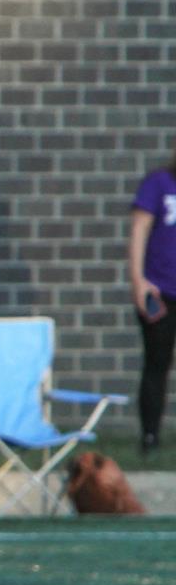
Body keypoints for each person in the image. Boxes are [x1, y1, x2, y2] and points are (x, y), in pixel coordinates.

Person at [126, 145, 176, 455]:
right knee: (157, 363)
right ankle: (150, 437)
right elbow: (139, 230)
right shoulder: (159, 183)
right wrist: (138, 281)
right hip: (160, 290)